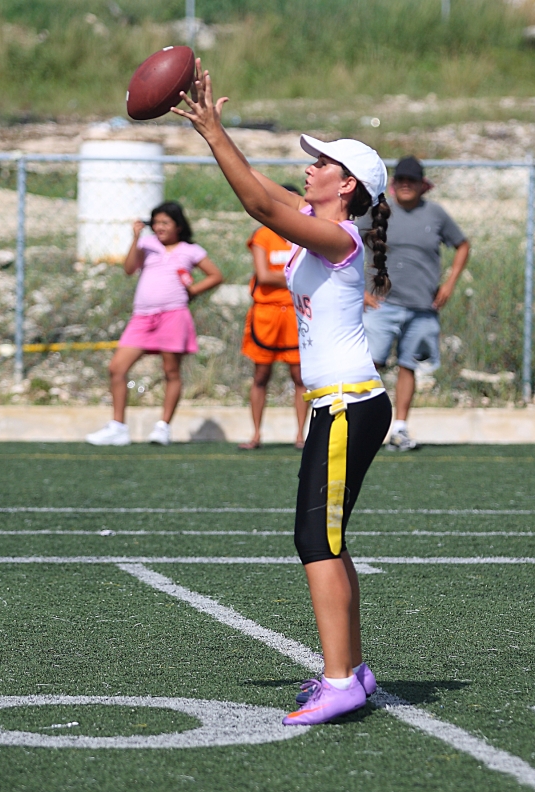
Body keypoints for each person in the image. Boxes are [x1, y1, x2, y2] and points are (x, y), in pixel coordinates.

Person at [172, 60, 392, 725]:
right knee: (326, 537)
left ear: (346, 183)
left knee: (315, 540)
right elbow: (272, 198)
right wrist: (219, 138)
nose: (309, 167)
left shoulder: (338, 238)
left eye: (321, 163)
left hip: (348, 404)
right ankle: (349, 669)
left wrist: (213, 132)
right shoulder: (315, 224)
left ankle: (338, 680)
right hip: (340, 404)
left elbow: (258, 202)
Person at [85, 201, 223, 446]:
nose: (159, 227)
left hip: (173, 315)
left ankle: (163, 427)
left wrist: (192, 292)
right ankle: (117, 427)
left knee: (170, 371)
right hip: (142, 317)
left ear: (178, 226)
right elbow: (129, 269)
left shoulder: (190, 250)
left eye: (165, 223)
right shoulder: (147, 245)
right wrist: (135, 238)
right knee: (117, 367)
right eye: (156, 222)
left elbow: (215, 276)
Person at [362, 156, 470, 451]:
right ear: (393, 184)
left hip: (422, 306)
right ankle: (363, 424)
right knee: (371, 365)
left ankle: (400, 428)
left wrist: (449, 283)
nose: (406, 185)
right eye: (401, 180)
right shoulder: (378, 212)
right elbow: (348, 243)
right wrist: (361, 288)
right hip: (382, 304)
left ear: (423, 185)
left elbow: (462, 244)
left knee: (408, 365)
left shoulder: (435, 214)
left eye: (412, 180)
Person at [239, 185, 308, 450]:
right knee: (260, 375)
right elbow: (264, 276)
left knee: (300, 377)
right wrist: (294, 277)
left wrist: (287, 278)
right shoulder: (263, 235)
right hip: (266, 313)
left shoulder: (303, 235)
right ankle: (256, 434)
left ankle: (301, 435)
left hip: (295, 312)